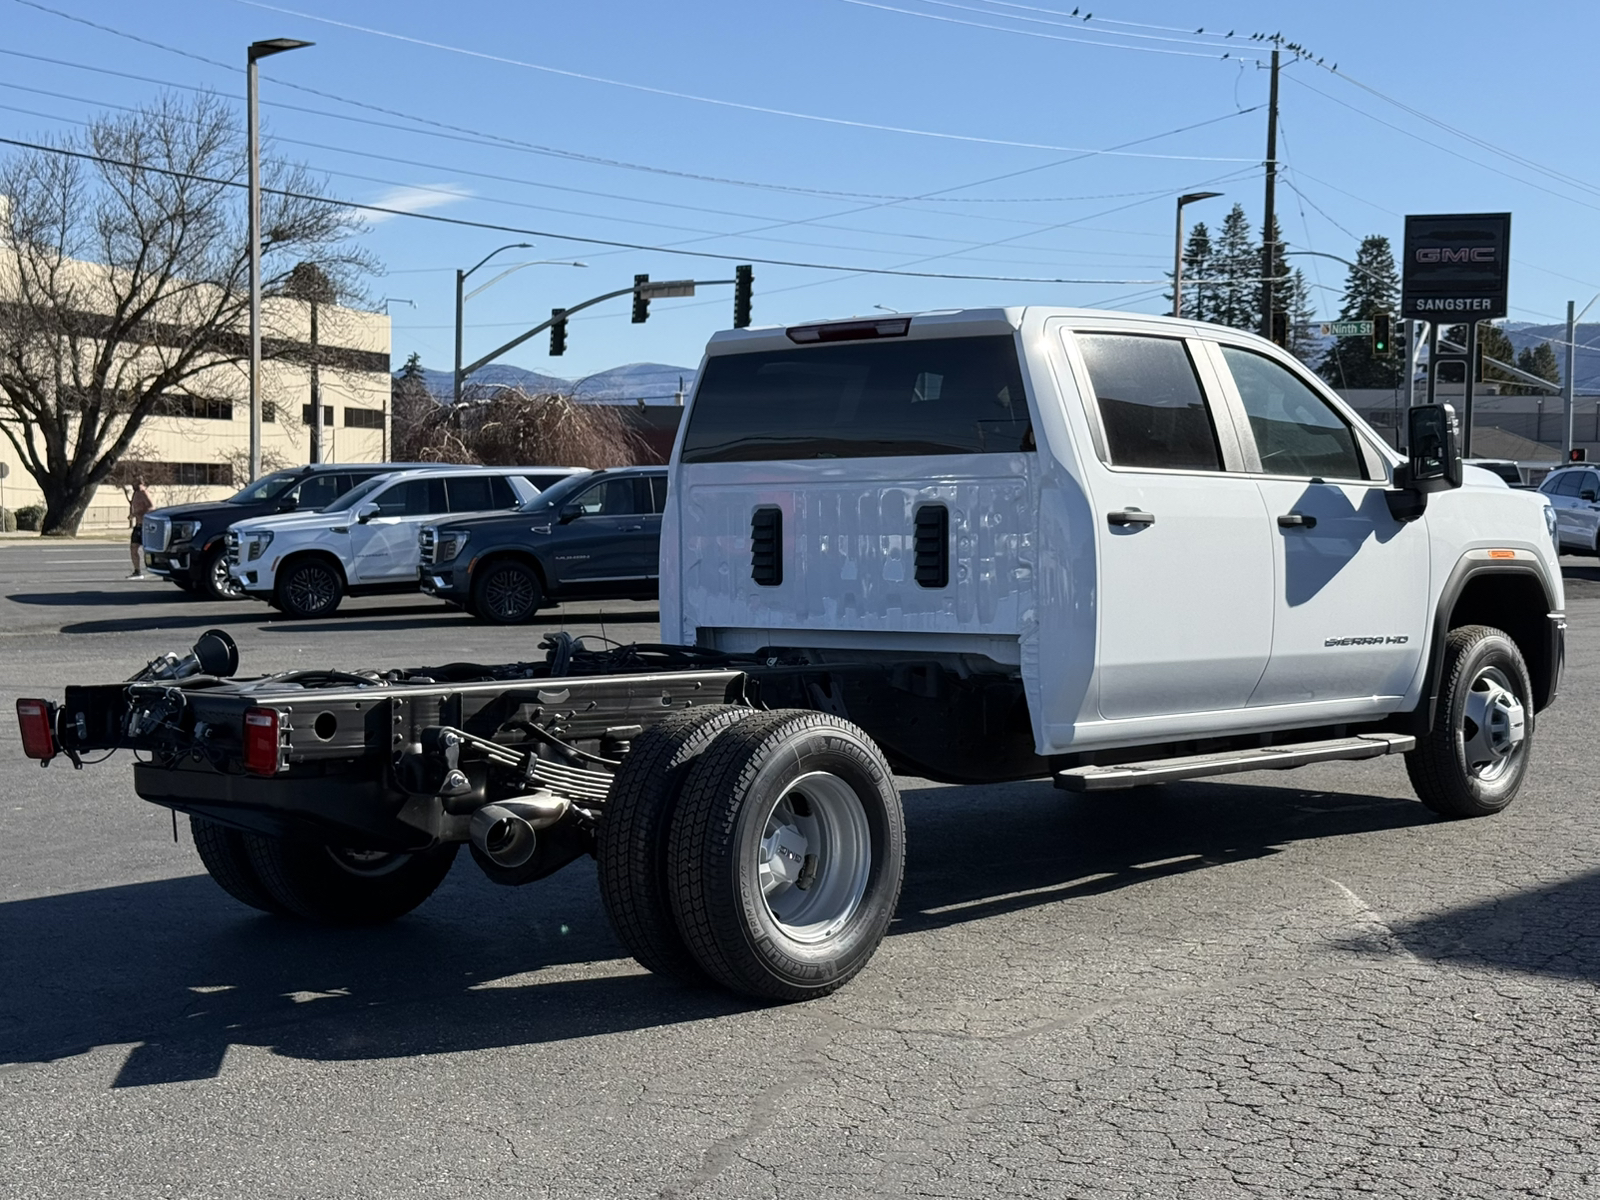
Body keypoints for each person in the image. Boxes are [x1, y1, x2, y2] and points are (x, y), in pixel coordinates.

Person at [127, 477, 153, 579]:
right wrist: (133, 514)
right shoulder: (135, 493)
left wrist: (138, 513)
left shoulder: (144, 493)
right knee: (133, 548)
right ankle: (137, 571)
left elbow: (151, 507)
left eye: (134, 483)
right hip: (137, 526)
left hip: (144, 526)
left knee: (148, 550)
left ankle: (157, 567)